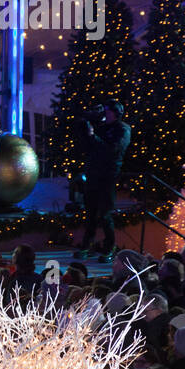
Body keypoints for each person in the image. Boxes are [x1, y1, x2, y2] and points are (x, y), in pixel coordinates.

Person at [76, 100, 131, 261]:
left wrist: (93, 136)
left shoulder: (123, 130)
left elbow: (111, 150)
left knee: (105, 214)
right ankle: (86, 246)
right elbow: (90, 147)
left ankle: (109, 248)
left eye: (108, 112)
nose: (105, 115)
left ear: (116, 113)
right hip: (93, 174)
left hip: (107, 176)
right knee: (91, 213)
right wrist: (86, 131)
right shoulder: (103, 127)